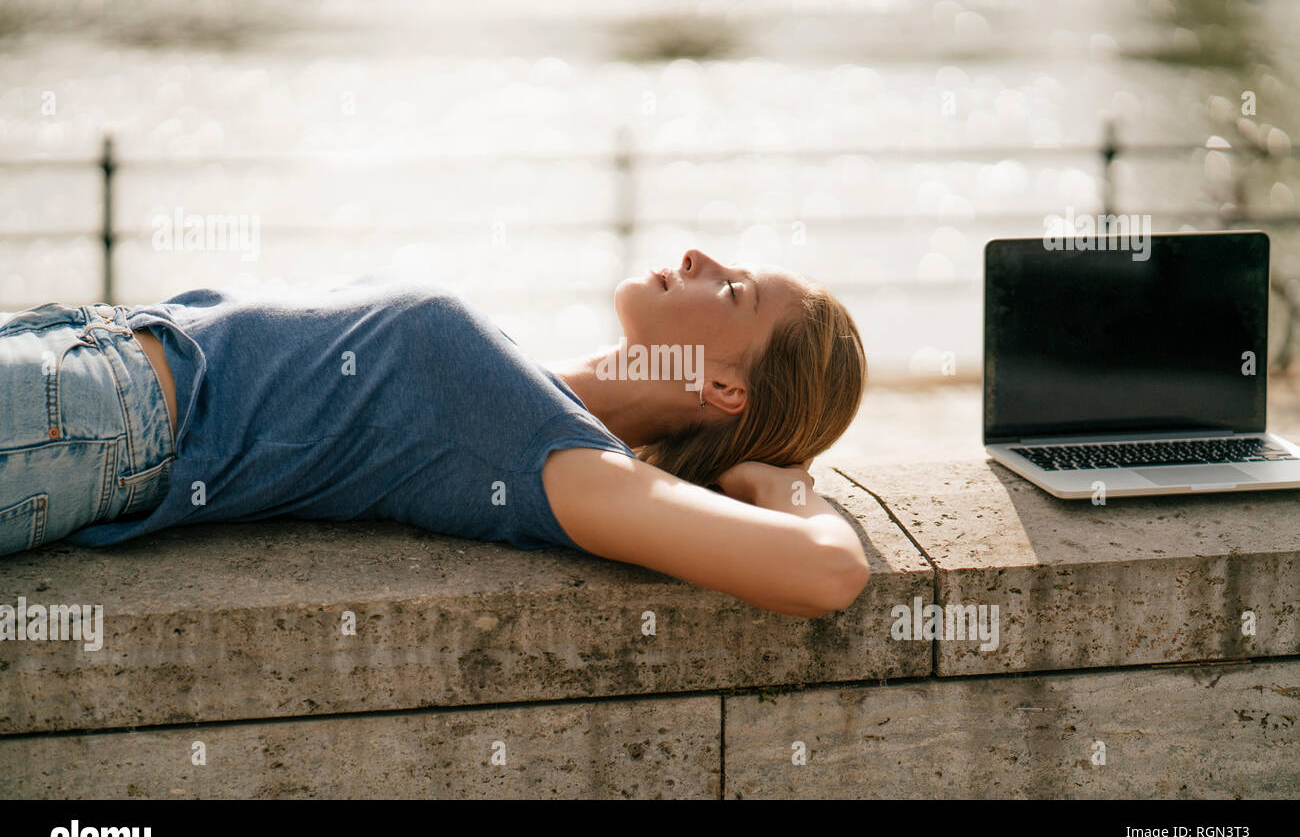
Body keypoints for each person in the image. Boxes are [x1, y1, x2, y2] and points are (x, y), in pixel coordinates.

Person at [0, 249, 869, 618]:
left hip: (84, 421)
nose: (698, 260)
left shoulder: (562, 461)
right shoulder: (532, 390)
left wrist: (783, 483)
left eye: (732, 292)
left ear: (723, 388)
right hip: (65, 365)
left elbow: (829, 572)